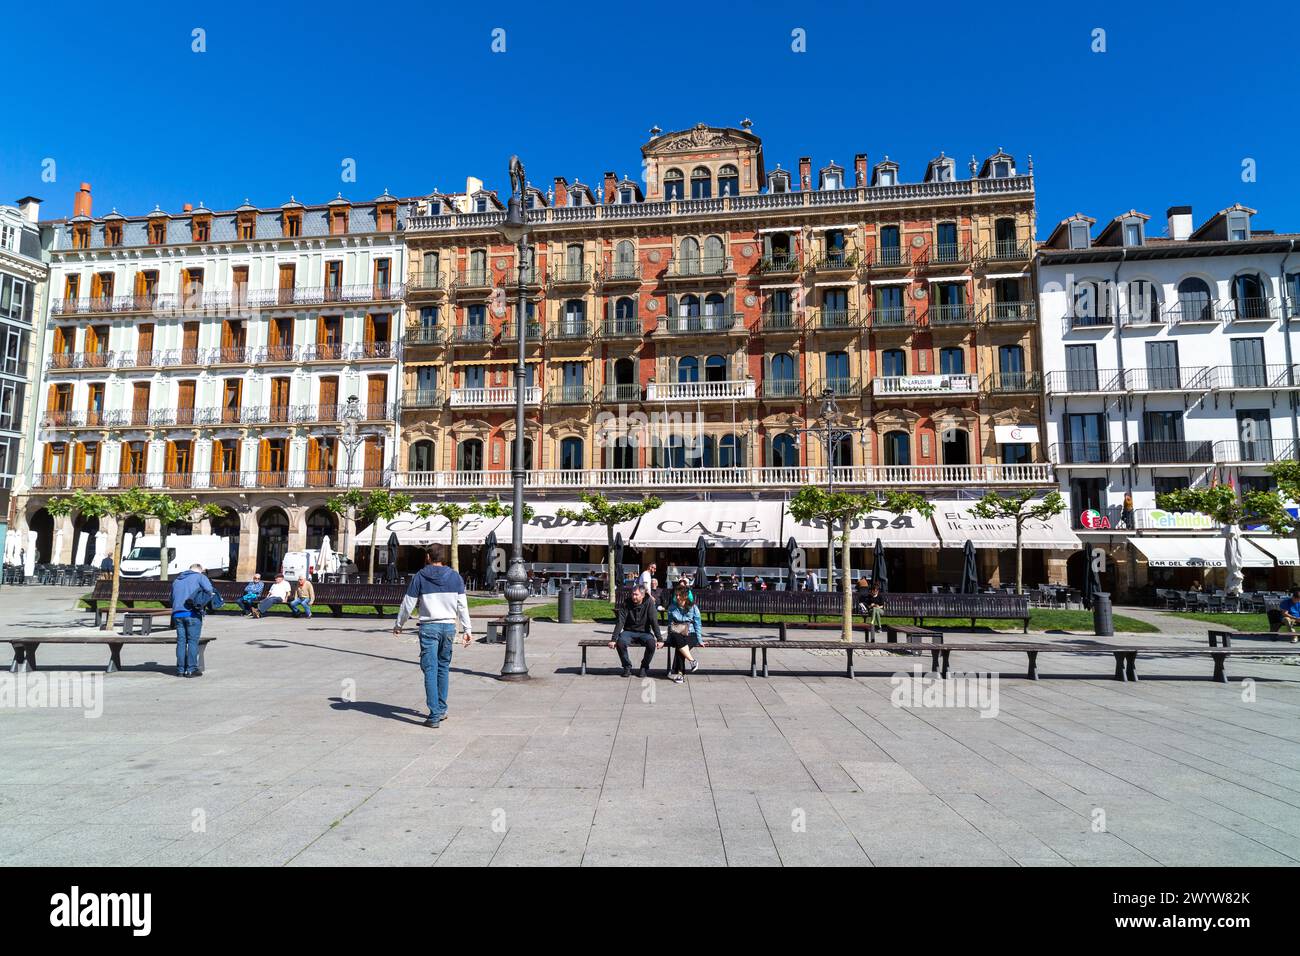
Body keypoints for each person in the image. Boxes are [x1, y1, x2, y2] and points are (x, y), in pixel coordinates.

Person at [394, 545, 473, 728]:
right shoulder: (455, 577)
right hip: (448, 627)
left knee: (430, 669)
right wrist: (467, 629)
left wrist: (399, 625)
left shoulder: (420, 576)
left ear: (428, 556)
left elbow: (408, 604)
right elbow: (462, 605)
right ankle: (442, 708)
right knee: (443, 668)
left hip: (429, 627)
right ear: (443, 557)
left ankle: (434, 714)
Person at [171, 563, 222, 677]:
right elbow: (209, 590)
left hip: (177, 614)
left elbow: (172, 598)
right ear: (199, 570)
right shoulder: (200, 577)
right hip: (192, 613)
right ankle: (191, 669)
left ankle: (180, 669)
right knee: (193, 641)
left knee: (181, 642)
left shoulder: (177, 580)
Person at [608, 583, 662, 678]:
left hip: (644, 632)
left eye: (636, 595)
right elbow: (620, 621)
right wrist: (613, 639)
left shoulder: (649, 603)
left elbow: (654, 621)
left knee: (651, 644)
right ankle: (627, 666)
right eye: (632, 594)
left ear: (642, 595)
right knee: (620, 643)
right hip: (629, 631)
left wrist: (660, 639)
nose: (633, 596)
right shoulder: (626, 603)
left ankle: (644, 667)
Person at [665, 584, 704, 683]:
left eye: (679, 595)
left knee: (680, 648)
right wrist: (668, 638)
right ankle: (692, 661)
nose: (677, 597)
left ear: (685, 596)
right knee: (676, 636)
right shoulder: (672, 607)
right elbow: (670, 624)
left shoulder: (693, 607)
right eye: (676, 595)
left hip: (691, 633)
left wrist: (700, 640)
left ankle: (680, 674)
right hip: (676, 633)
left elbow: (697, 624)